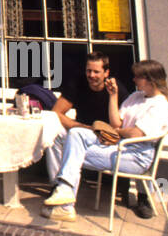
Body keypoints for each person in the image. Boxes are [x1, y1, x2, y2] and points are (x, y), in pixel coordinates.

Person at [44, 59, 168, 223]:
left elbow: (135, 134)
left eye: (137, 77)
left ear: (149, 79)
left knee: (72, 153)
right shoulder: (136, 96)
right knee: (76, 133)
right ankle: (64, 192)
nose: (133, 79)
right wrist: (113, 96)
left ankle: (65, 203)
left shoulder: (160, 106)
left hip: (136, 157)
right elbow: (115, 124)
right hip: (118, 147)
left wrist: (118, 132)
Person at [45, 51, 115, 182]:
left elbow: (121, 124)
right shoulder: (78, 83)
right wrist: (83, 127)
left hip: (104, 138)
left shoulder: (115, 90)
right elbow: (56, 112)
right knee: (54, 133)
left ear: (106, 73)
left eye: (96, 72)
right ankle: (58, 185)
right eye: (89, 71)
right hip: (79, 133)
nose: (91, 75)